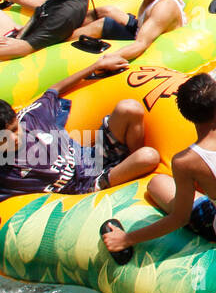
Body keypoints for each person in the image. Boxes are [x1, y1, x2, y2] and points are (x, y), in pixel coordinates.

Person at [101, 72, 216, 254]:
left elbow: (179, 218)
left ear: (185, 114)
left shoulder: (185, 161)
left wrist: (127, 239)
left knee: (157, 184)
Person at [0, 55, 160, 200]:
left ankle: (130, 166)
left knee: (129, 108)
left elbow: (54, 90)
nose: (14, 139)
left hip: (93, 156)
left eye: (14, 129)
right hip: (86, 186)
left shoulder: (30, 118)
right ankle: (130, 170)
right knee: (148, 156)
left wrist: (97, 65)